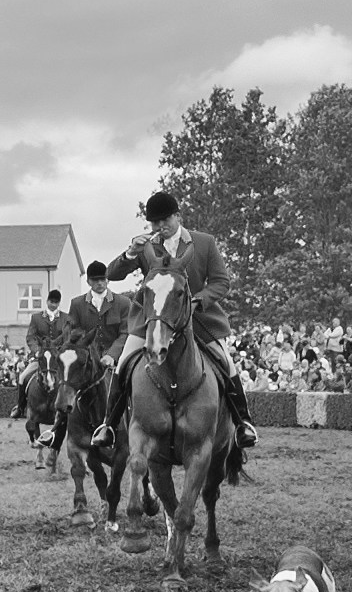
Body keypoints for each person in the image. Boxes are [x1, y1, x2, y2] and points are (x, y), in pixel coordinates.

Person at [107, 192, 256, 475]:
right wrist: (129, 254)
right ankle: (108, 426)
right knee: (124, 362)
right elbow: (113, 274)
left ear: (178, 216)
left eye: (164, 220)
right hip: (152, 322)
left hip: (197, 320)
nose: (159, 226)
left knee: (227, 363)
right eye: (154, 222)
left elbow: (222, 282)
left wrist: (198, 300)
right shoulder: (147, 247)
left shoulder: (203, 242)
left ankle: (243, 423)